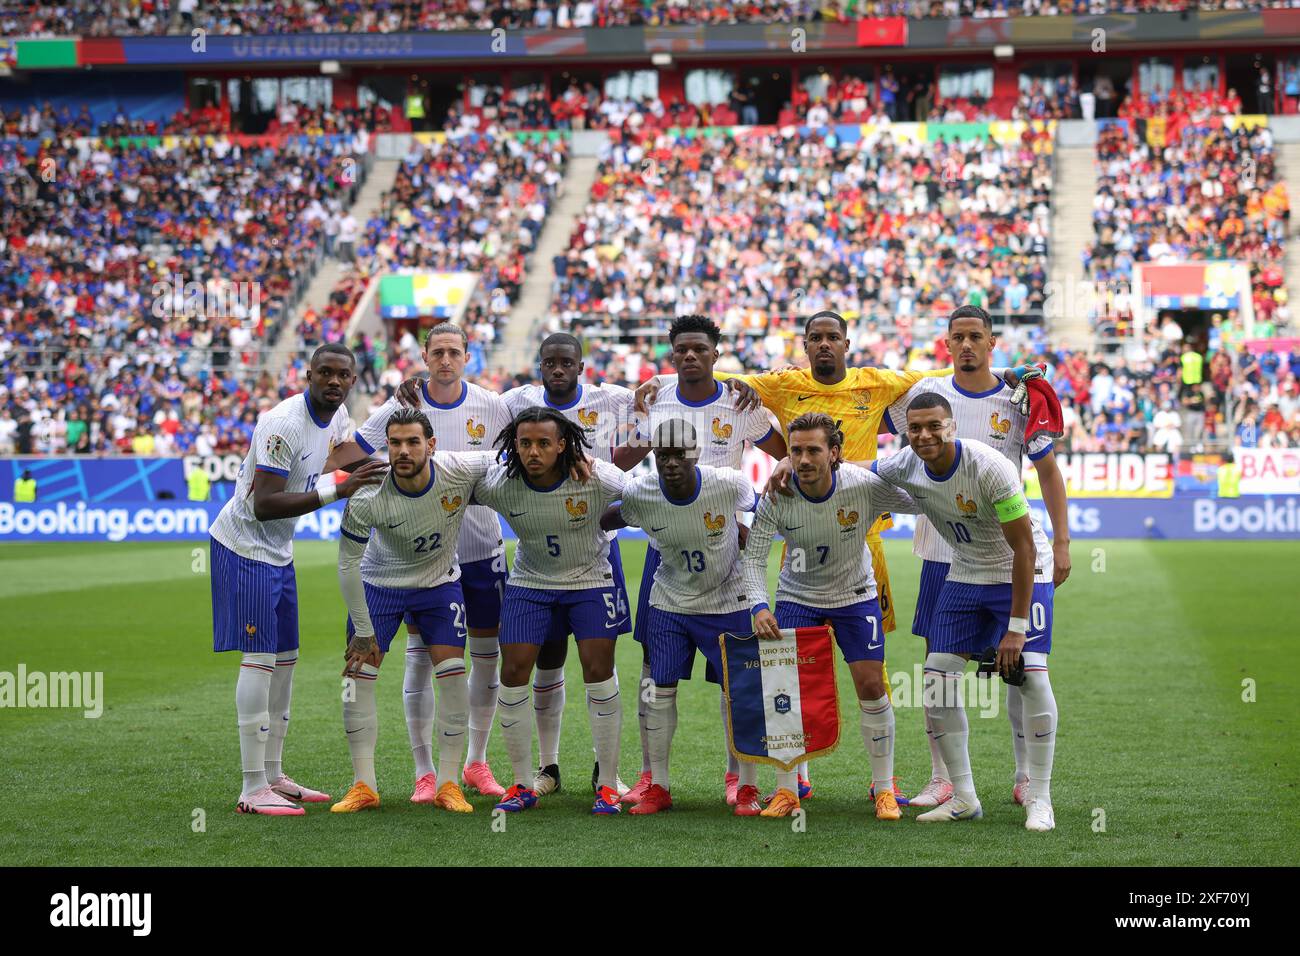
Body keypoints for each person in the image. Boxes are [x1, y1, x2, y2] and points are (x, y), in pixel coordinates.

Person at [881, 304, 1070, 809]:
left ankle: (1027, 775)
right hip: (944, 548)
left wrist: (1064, 542)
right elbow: (866, 425)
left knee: (1019, 665)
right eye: (957, 337)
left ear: (991, 342)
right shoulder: (928, 393)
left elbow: (1048, 472)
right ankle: (943, 777)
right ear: (947, 343)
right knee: (938, 664)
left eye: (975, 337)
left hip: (1009, 545)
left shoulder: (1018, 397)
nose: (966, 345)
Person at [330, 323, 512, 801]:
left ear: (467, 356)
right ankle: (424, 771)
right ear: (425, 356)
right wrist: (316, 468)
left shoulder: (493, 405)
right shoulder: (402, 407)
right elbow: (355, 451)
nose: (446, 360)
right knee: (417, 660)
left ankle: (476, 761)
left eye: (455, 352)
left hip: (481, 549)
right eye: (438, 353)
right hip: (412, 558)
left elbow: (517, 457)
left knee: (485, 659)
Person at [208, 344, 389, 816]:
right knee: (260, 658)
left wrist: (392, 412)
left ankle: (272, 773)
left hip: (277, 552)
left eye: (342, 374)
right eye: (324, 372)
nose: (333, 380)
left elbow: (338, 457)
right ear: (307, 374)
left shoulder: (339, 413)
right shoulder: (282, 423)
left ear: (352, 380)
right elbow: (265, 503)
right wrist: (338, 490)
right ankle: (251, 788)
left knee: (286, 659)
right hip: (245, 547)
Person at [619, 314, 784, 807]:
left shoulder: (739, 400)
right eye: (681, 351)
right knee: (654, 667)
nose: (690, 357)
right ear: (672, 356)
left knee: (736, 673)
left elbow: (783, 451)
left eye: (699, 349)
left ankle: (740, 776)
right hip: (666, 547)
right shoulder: (655, 397)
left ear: (717, 352)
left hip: (725, 546)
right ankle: (652, 775)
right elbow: (624, 461)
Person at [745, 413, 919, 820]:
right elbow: (753, 559)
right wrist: (759, 606)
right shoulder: (777, 494)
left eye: (813, 450)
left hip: (855, 596)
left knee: (872, 685)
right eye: (796, 451)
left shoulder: (863, 487)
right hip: (797, 596)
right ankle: (787, 791)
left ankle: (884, 789)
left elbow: (918, 499)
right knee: (784, 688)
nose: (803, 459)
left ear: (835, 453)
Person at [600, 419, 762, 816]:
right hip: (670, 601)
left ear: (696, 453)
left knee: (741, 694)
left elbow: (767, 506)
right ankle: (659, 786)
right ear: (654, 456)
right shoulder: (641, 492)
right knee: (657, 691)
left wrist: (748, 534)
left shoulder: (728, 483)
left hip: (728, 600)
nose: (671, 463)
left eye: (679, 454)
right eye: (663, 455)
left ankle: (747, 787)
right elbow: (607, 520)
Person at [471, 407, 628, 815]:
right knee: (512, 672)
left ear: (563, 445)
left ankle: (608, 785)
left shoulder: (596, 476)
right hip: (531, 583)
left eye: (544, 443)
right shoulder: (501, 484)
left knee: (598, 670)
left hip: (590, 579)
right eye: (525, 443)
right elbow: (453, 480)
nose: (533, 451)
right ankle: (523, 783)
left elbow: (643, 492)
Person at [331, 408, 487, 815]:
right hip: (380, 585)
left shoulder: (457, 469)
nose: (402, 450)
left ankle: (449, 784)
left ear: (431, 445)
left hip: (438, 585)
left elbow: (506, 459)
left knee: (453, 679)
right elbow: (347, 565)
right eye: (395, 442)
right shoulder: (368, 495)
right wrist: (363, 630)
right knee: (358, 676)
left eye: (412, 441)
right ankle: (363, 784)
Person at [500, 332, 635, 797]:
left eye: (566, 363)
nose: (557, 370)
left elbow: (664, 400)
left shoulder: (609, 399)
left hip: (595, 552)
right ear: (539, 366)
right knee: (546, 661)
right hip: (537, 560)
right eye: (549, 363)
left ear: (580, 366)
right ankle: (547, 768)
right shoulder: (515, 401)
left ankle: (607, 771)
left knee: (599, 664)